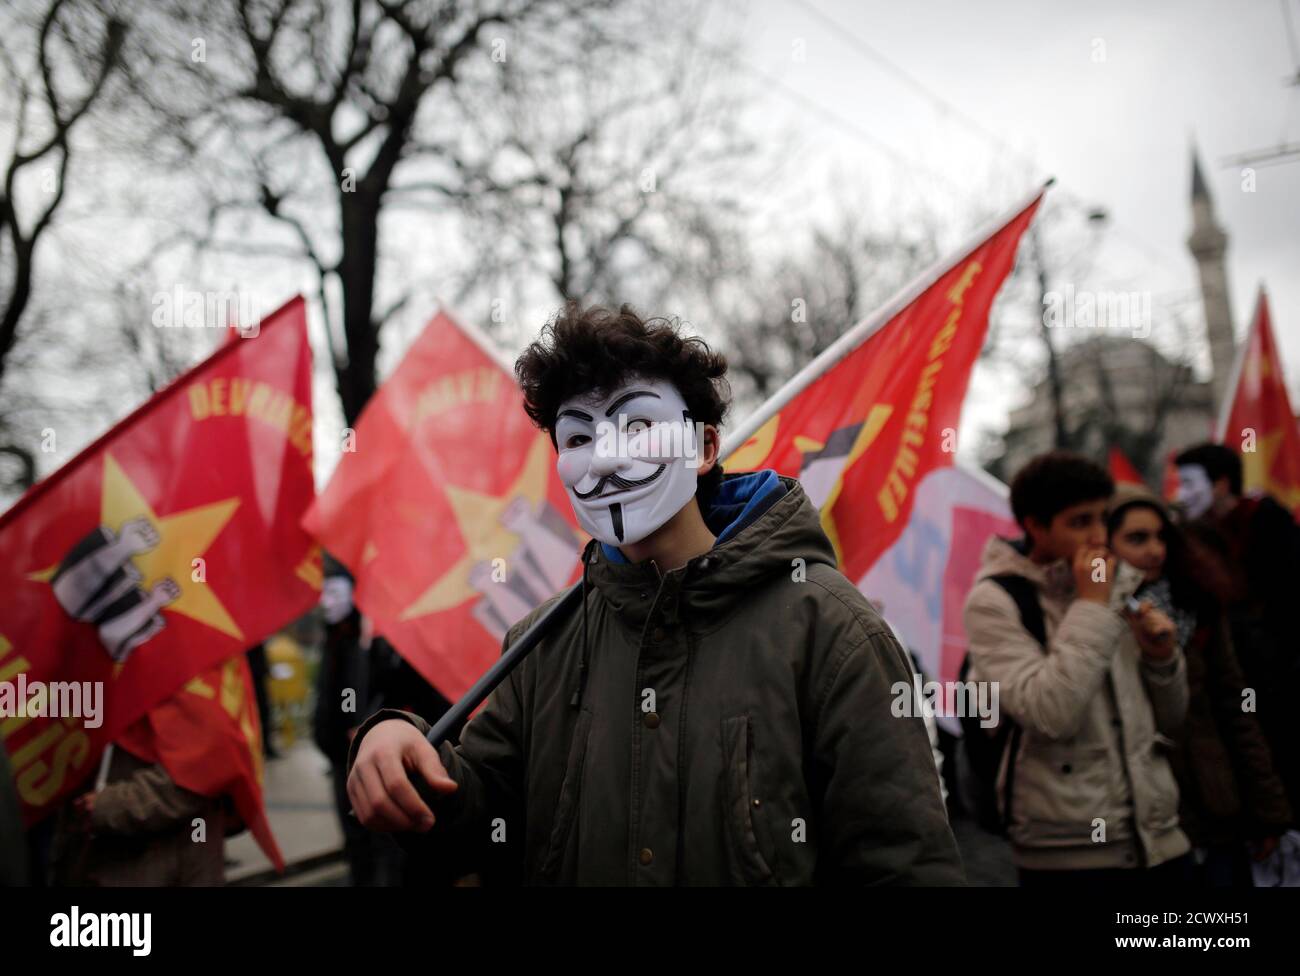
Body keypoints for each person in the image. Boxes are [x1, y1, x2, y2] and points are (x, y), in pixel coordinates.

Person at [347, 302, 964, 886]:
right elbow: (483, 821)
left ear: (703, 447)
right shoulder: (543, 641)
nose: (606, 461)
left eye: (638, 426)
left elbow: (902, 863)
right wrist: (399, 746)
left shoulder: (830, 629)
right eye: (579, 439)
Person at [963, 451, 1191, 886]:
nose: (1098, 537)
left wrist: (1163, 661)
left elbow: (1173, 722)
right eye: (1079, 522)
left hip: (1159, 841)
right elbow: (1051, 712)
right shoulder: (994, 601)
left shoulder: (1119, 586)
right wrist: (1090, 606)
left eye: (1102, 519)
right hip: (1070, 854)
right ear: (1034, 526)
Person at [1107, 482, 1292, 885]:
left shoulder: (1199, 605)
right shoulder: (1091, 621)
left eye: (1161, 537)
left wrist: (1268, 811)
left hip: (1214, 804)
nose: (1154, 550)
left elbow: (1238, 708)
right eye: (1136, 538)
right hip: (1134, 815)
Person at [1174, 442, 1300, 814]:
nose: (1182, 494)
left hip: (1275, 676)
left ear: (1222, 484)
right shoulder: (1195, 536)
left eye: (1190, 482)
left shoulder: (1267, 524)